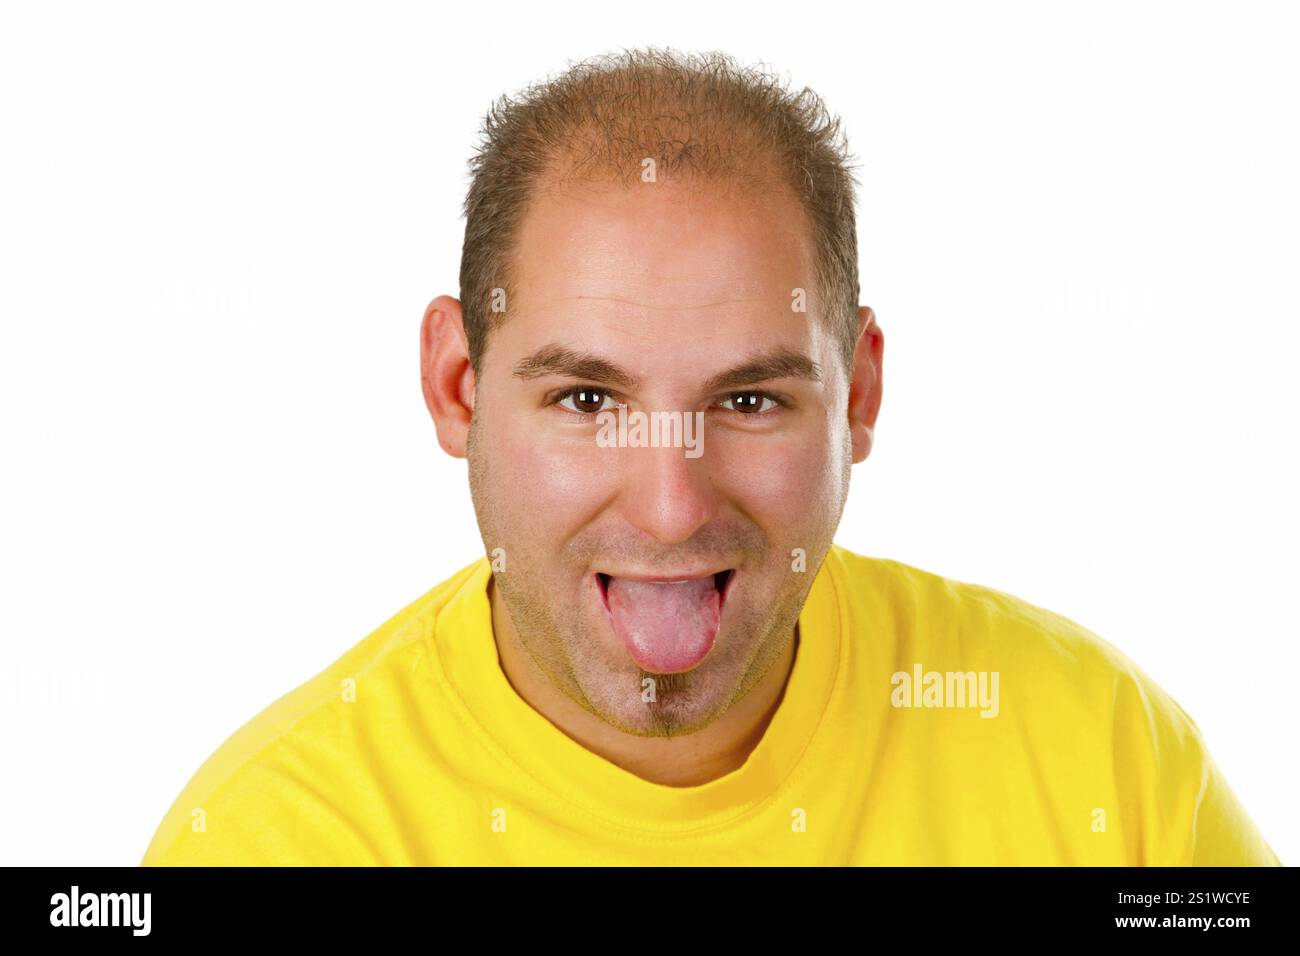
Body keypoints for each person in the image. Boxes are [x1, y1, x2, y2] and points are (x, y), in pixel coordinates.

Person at [142, 48, 1280, 866]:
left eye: (748, 397)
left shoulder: (1100, 758)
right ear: (458, 387)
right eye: (587, 397)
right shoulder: (272, 839)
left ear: (860, 394)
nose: (673, 504)